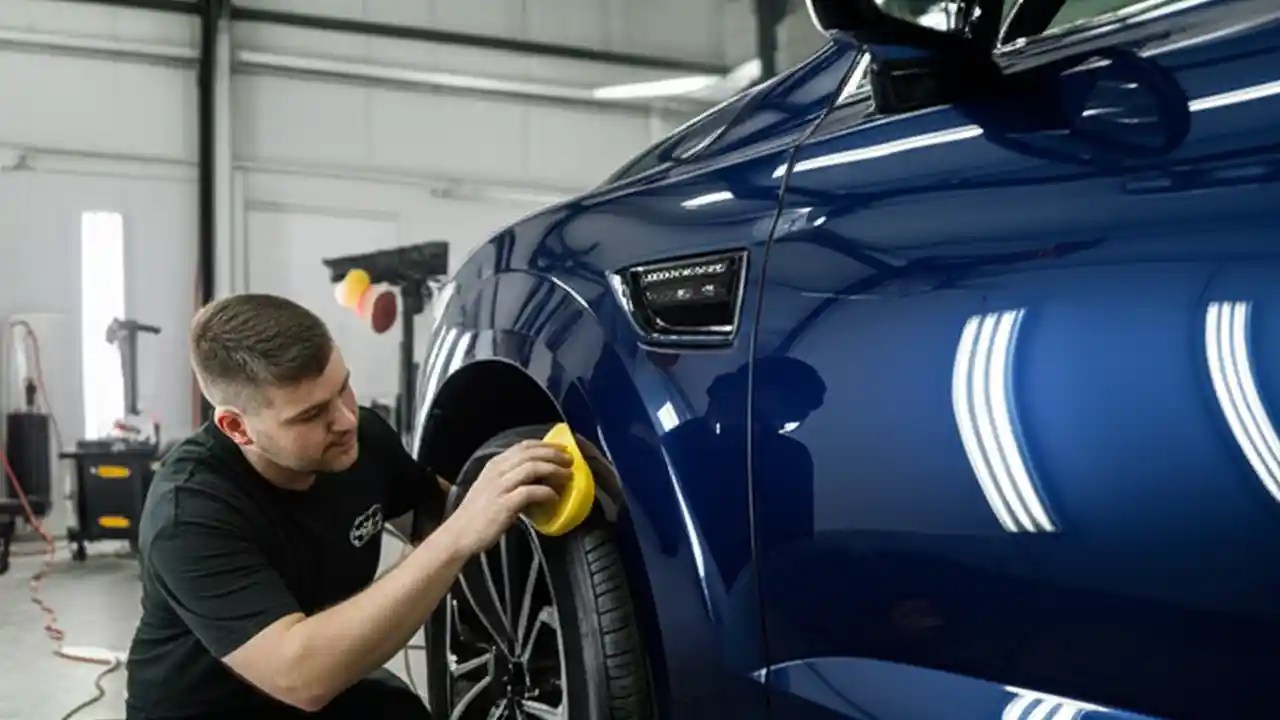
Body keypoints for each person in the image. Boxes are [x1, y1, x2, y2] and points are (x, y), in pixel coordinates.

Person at [125, 293, 572, 719]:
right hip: (217, 707)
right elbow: (301, 677)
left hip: (328, 692)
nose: (345, 419)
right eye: (310, 415)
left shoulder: (357, 440)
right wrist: (457, 537)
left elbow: (436, 513)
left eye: (344, 388)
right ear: (236, 428)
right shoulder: (189, 515)